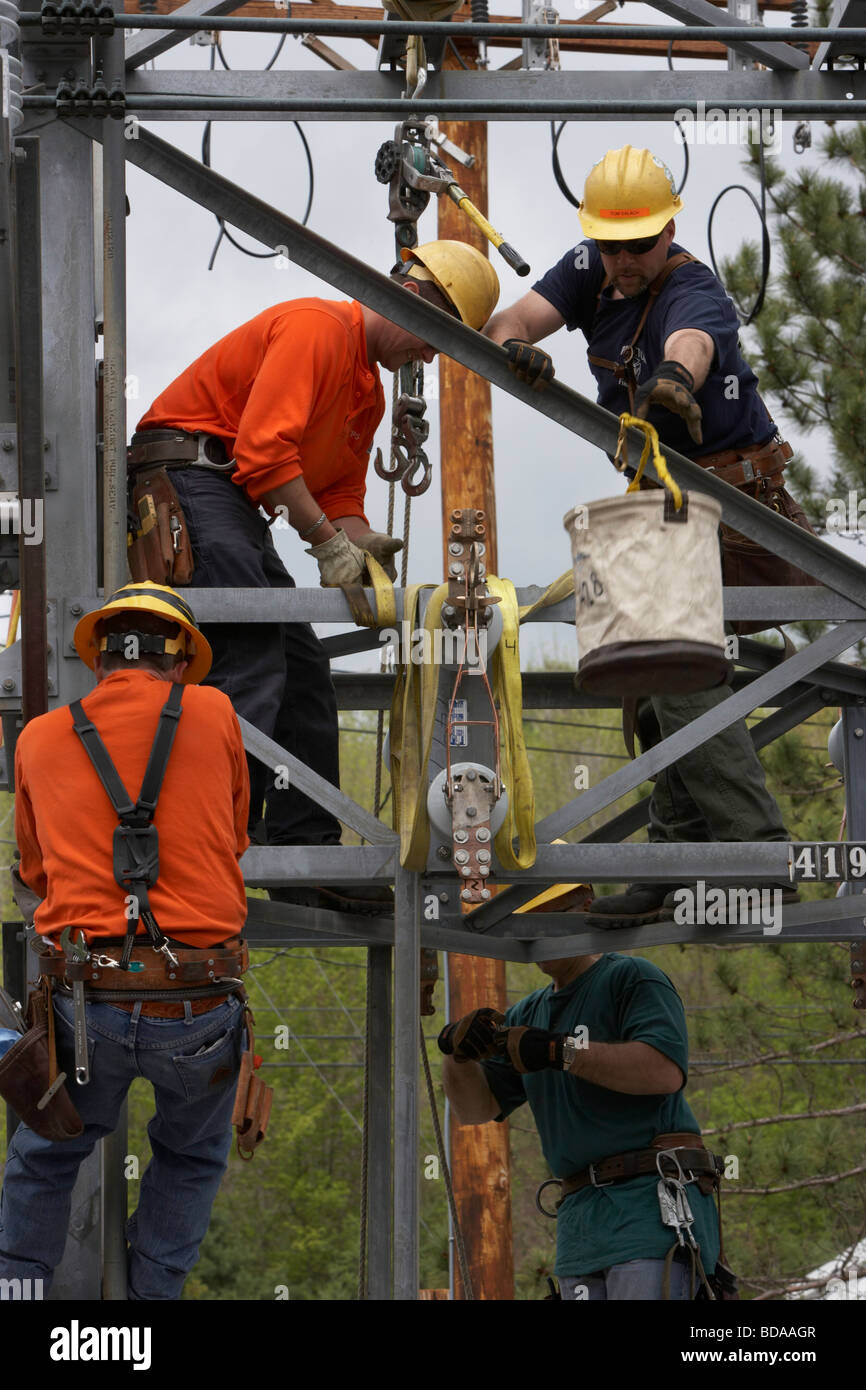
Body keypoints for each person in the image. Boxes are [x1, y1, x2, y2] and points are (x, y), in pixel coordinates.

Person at [485, 145, 805, 927]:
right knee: (658, 683)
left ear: (669, 231)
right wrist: (514, 347)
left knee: (678, 670)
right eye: (612, 246)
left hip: (740, 513)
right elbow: (514, 320)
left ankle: (754, 854)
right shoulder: (589, 265)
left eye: (640, 245)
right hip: (671, 514)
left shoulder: (692, 285)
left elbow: (691, 342)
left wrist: (676, 379)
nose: (625, 262)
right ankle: (675, 852)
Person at [131, 242, 499, 911]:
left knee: (303, 672)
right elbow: (263, 453)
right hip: (192, 478)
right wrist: (328, 544)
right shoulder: (318, 329)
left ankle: (306, 853)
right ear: (413, 299)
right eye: (436, 337)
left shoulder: (367, 394)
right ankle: (208, 844)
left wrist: (362, 544)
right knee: (246, 658)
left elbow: (337, 498)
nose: (430, 357)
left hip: (234, 500)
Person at [0, 582, 254, 1300]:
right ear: (180, 661)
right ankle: (146, 1311)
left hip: (88, 1001)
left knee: (47, 1154)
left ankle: (18, 1288)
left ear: (100, 659)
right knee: (190, 1155)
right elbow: (234, 838)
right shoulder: (215, 712)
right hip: (196, 1001)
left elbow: (34, 872)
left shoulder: (40, 736)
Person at [439, 886, 725, 1300]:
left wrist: (562, 1051)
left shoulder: (630, 978)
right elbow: (474, 1108)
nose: (534, 935)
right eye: (524, 924)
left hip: (647, 1212)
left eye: (547, 920)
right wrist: (457, 1054)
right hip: (581, 1226)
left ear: (586, 910)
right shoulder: (527, 1015)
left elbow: (663, 1071)